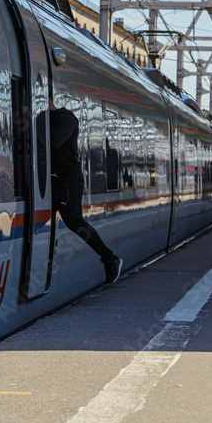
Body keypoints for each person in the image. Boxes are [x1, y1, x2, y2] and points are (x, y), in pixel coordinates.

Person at [48, 99, 123, 284]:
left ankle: (110, 259)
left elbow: (53, 142)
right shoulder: (48, 120)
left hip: (68, 181)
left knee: (75, 222)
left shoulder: (66, 119)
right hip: (55, 180)